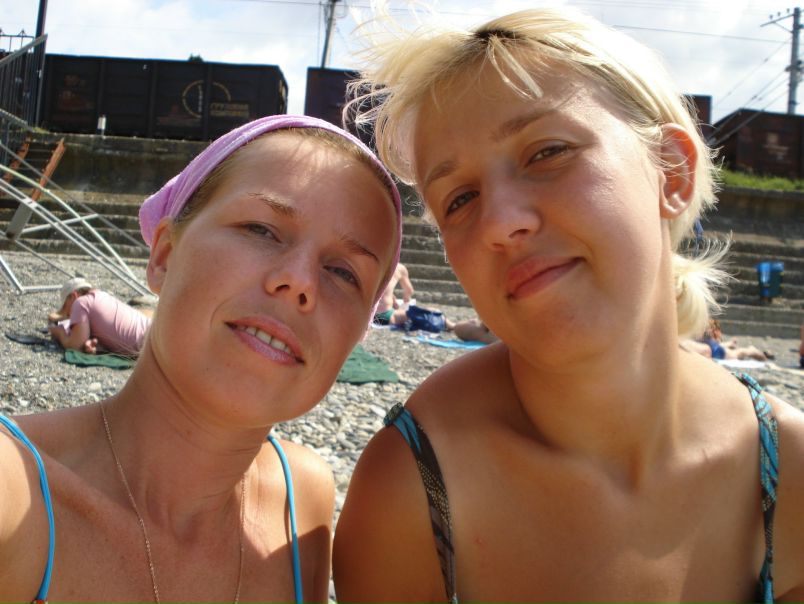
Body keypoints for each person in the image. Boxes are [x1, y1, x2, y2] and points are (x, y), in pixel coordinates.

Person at [333, 8, 804, 603]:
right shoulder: (413, 489)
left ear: (672, 172)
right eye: (460, 199)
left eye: (547, 152)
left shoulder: (789, 469)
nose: (500, 222)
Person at [0, 115, 402, 603]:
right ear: (163, 256)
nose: (300, 281)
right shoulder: (14, 491)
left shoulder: (301, 504)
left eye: (343, 272)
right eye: (261, 229)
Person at [47, 277, 152, 356]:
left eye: (67, 310)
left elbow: (75, 345)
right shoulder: (101, 295)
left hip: (146, 344)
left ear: (74, 296)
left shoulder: (80, 302)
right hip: (152, 331)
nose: (70, 316)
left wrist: (59, 332)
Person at [681, 319, 773, 362]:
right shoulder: (696, 333)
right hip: (712, 346)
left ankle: (751, 350)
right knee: (717, 346)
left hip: (715, 349)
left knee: (738, 353)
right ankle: (730, 344)